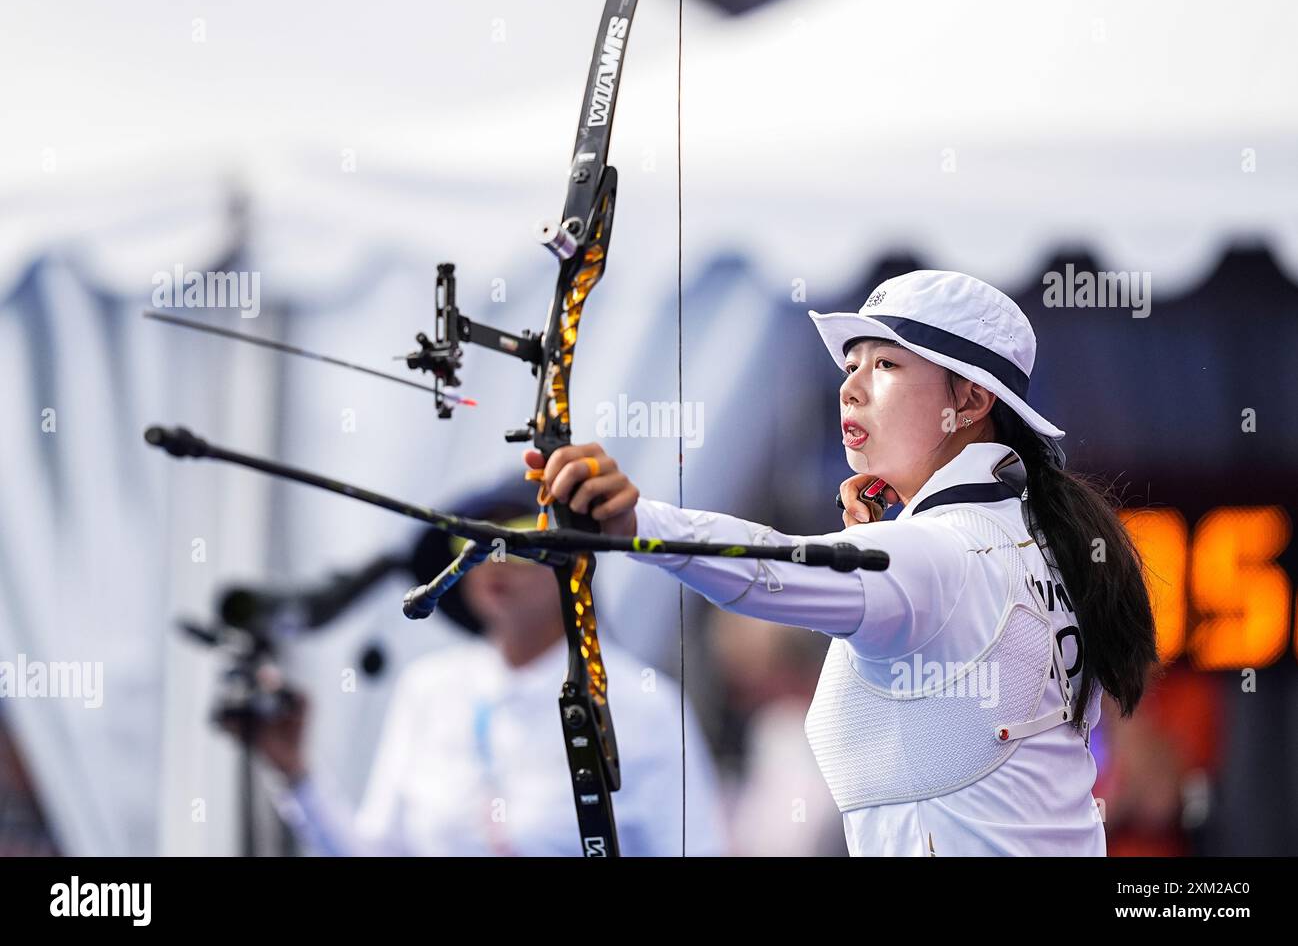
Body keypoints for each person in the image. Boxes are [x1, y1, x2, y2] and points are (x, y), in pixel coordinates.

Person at [524, 269, 1159, 856]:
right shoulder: (1033, 536)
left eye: (885, 365)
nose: (851, 388)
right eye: (850, 364)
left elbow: (772, 568)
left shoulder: (941, 551)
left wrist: (639, 524)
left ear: (968, 402)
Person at [229, 492, 724, 857]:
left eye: (516, 536)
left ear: (574, 558)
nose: (491, 558)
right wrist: (294, 773)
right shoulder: (428, 690)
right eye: (470, 541)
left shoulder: (644, 704)